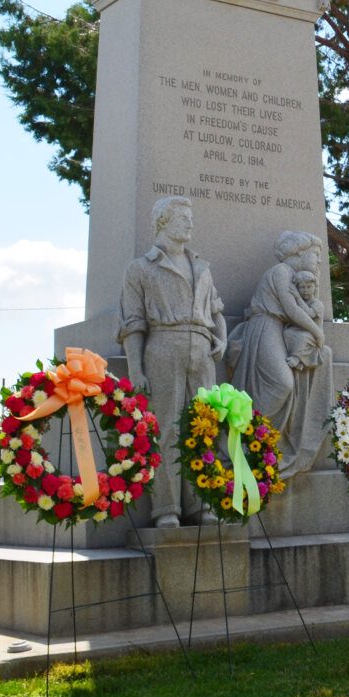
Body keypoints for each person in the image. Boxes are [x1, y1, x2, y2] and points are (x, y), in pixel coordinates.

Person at [119, 196, 227, 528]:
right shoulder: (141, 268)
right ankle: (167, 508)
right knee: (166, 429)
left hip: (202, 348)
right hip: (163, 345)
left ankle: (203, 503)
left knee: (204, 427)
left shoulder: (202, 266)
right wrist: (136, 368)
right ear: (163, 221)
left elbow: (216, 311)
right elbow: (133, 324)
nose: (190, 223)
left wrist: (221, 337)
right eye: (183, 217)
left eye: (191, 217)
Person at [226, 231, 333, 477]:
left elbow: (300, 309)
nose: (318, 262)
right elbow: (291, 309)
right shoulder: (281, 271)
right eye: (315, 255)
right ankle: (248, 436)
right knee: (281, 383)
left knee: (288, 381)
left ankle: (261, 440)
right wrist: (317, 333)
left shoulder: (295, 278)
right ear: (300, 253)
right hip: (265, 327)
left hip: (278, 329)